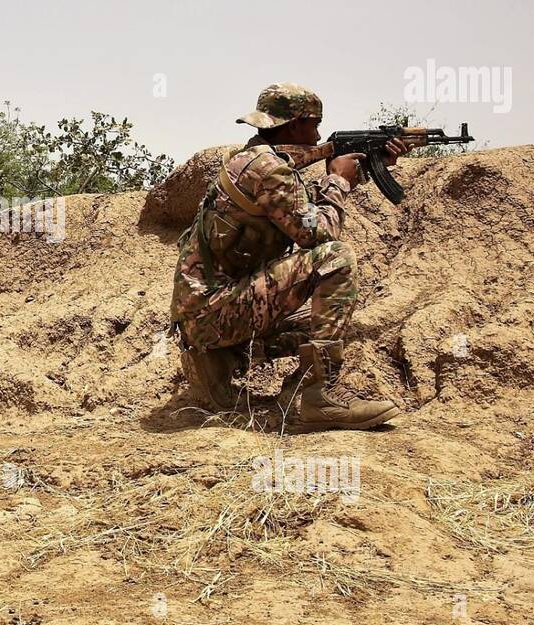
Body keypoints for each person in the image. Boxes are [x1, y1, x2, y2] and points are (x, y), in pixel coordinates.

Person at [170, 83, 410, 432]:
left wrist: (359, 171)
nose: (318, 134)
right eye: (314, 125)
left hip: (208, 314)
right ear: (295, 125)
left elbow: (295, 209)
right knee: (336, 260)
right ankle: (316, 399)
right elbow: (317, 234)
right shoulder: (269, 169)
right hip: (212, 314)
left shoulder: (251, 160)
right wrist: (338, 181)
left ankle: (226, 364)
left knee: (330, 323)